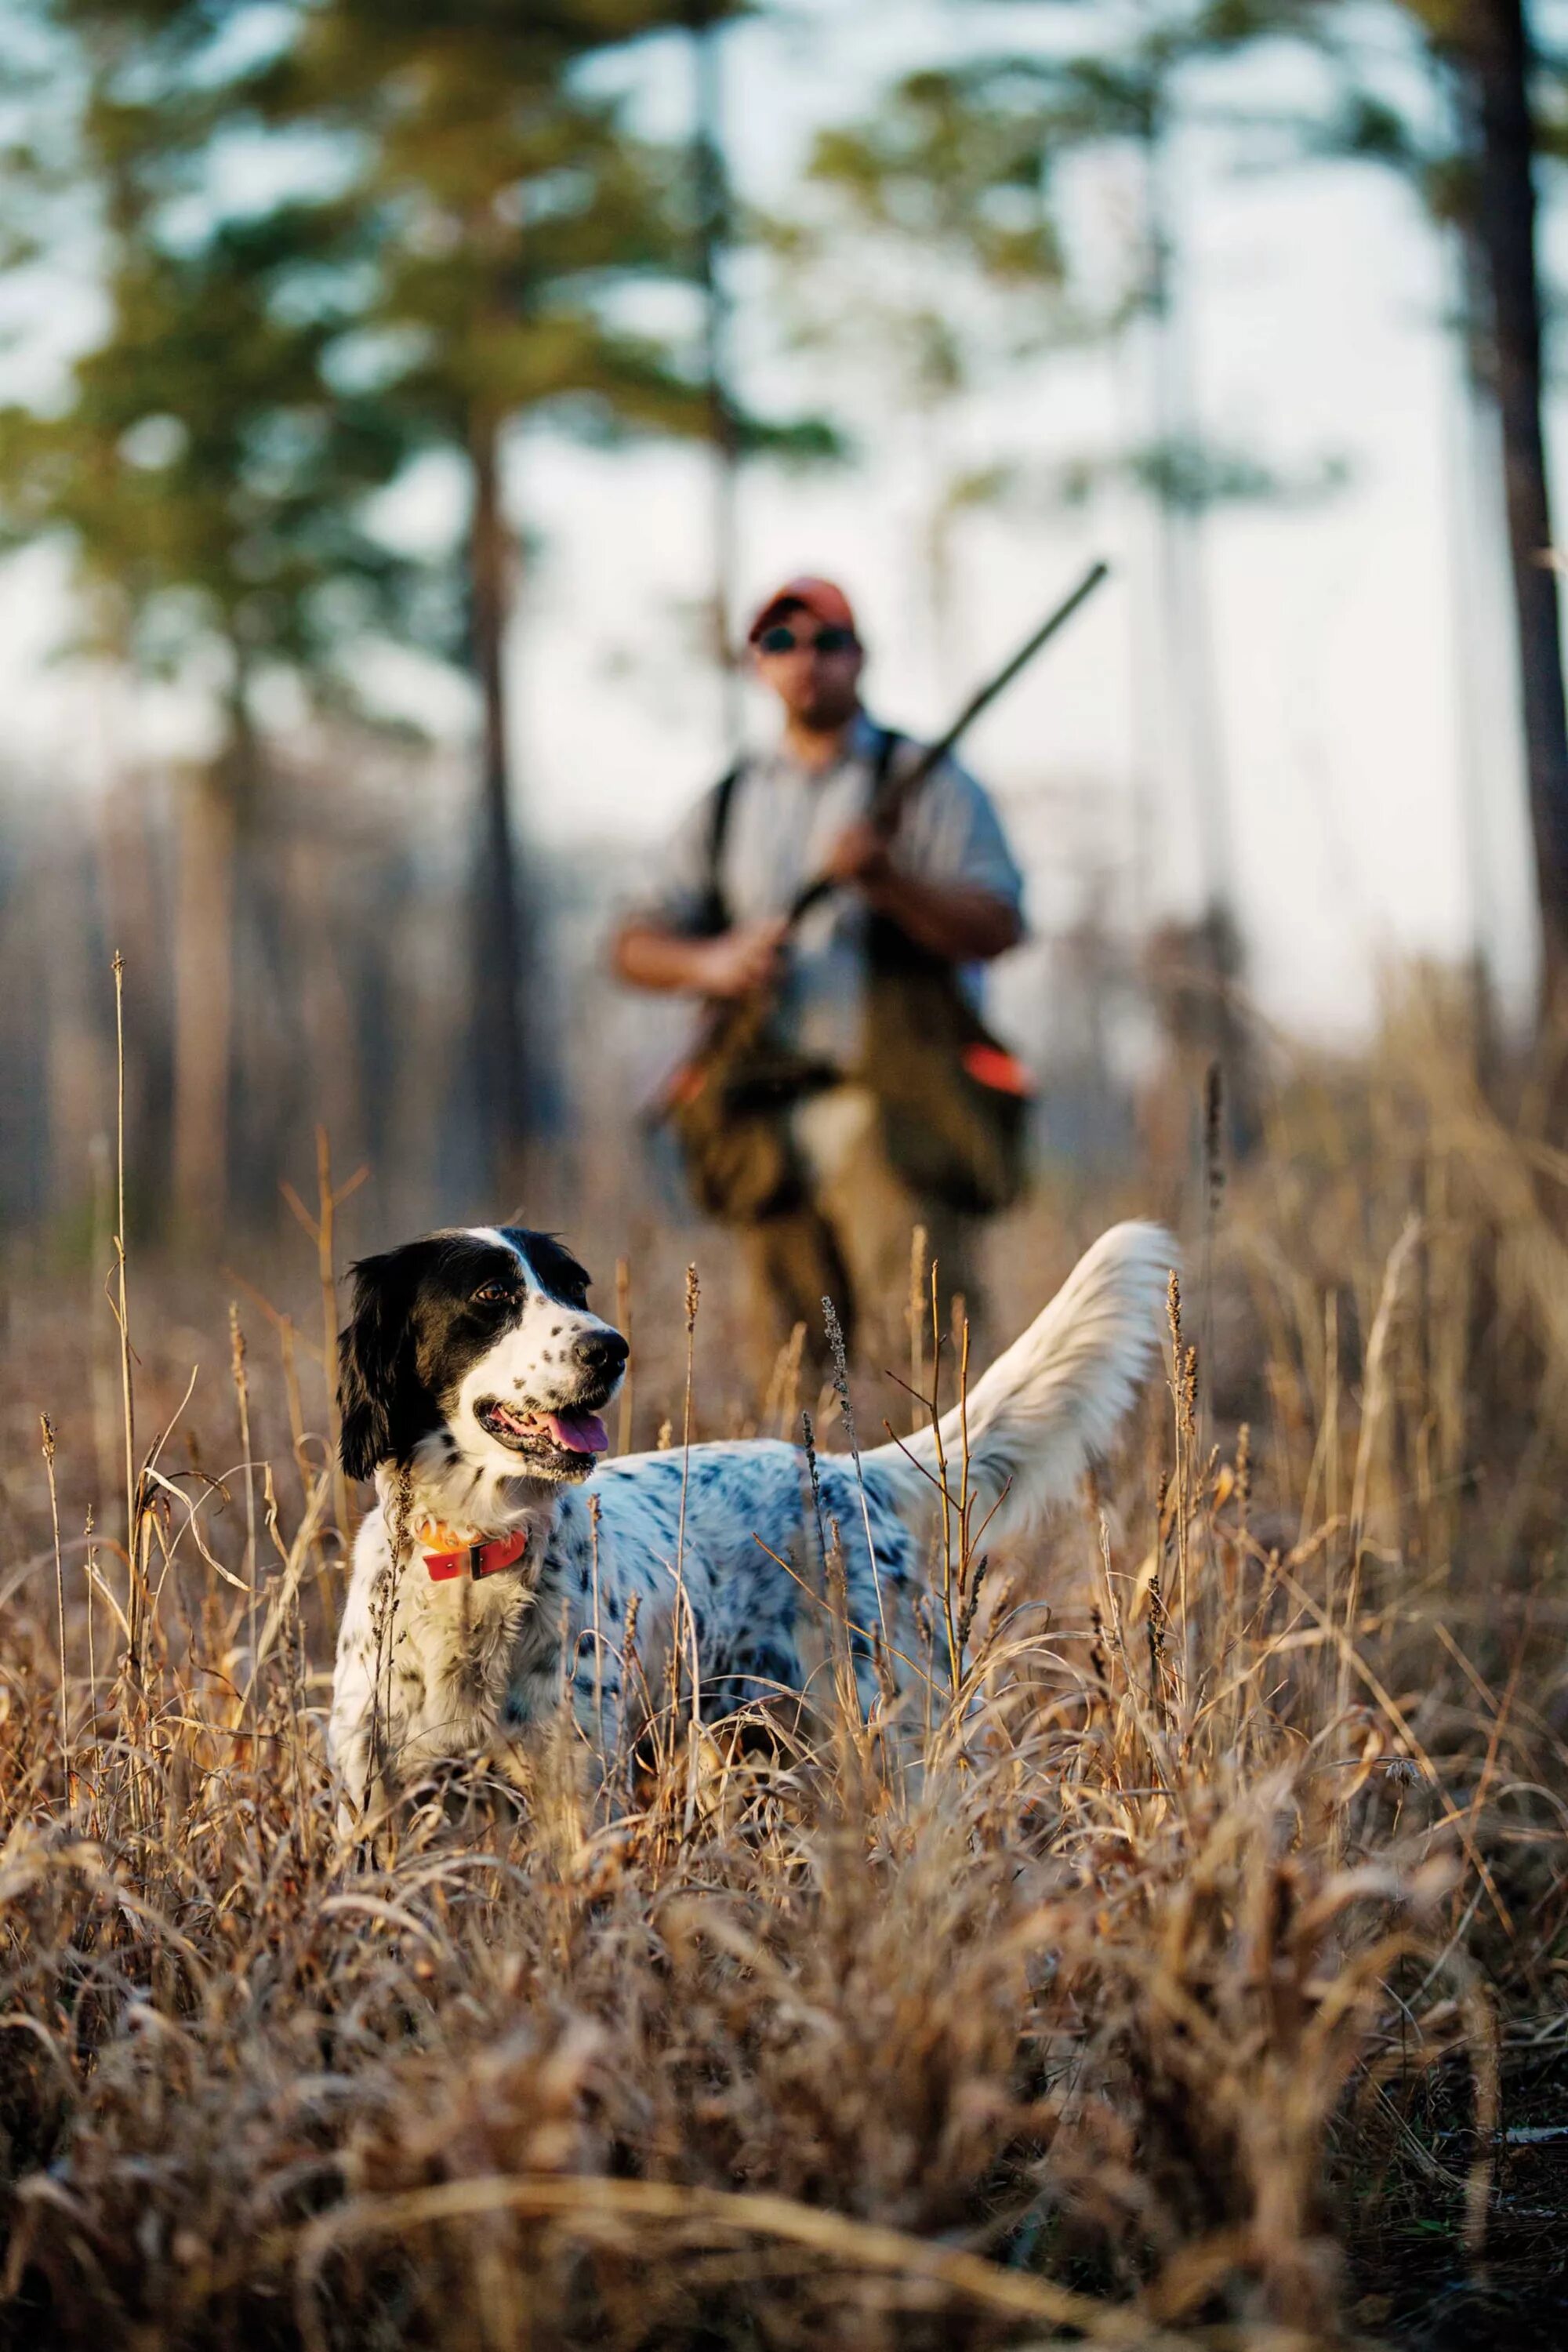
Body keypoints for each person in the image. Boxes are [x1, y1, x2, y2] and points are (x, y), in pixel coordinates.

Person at [612, 575, 1025, 1385]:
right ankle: (812, 1509)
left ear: (859, 658)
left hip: (898, 1112)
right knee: (791, 1371)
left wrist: (888, 883)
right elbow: (630, 943)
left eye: (827, 642)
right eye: (780, 643)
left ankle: (959, 1508)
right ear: (755, 665)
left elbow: (998, 925)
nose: (805, 661)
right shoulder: (727, 802)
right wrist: (713, 961)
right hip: (763, 1120)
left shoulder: (929, 782)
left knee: (932, 1357)